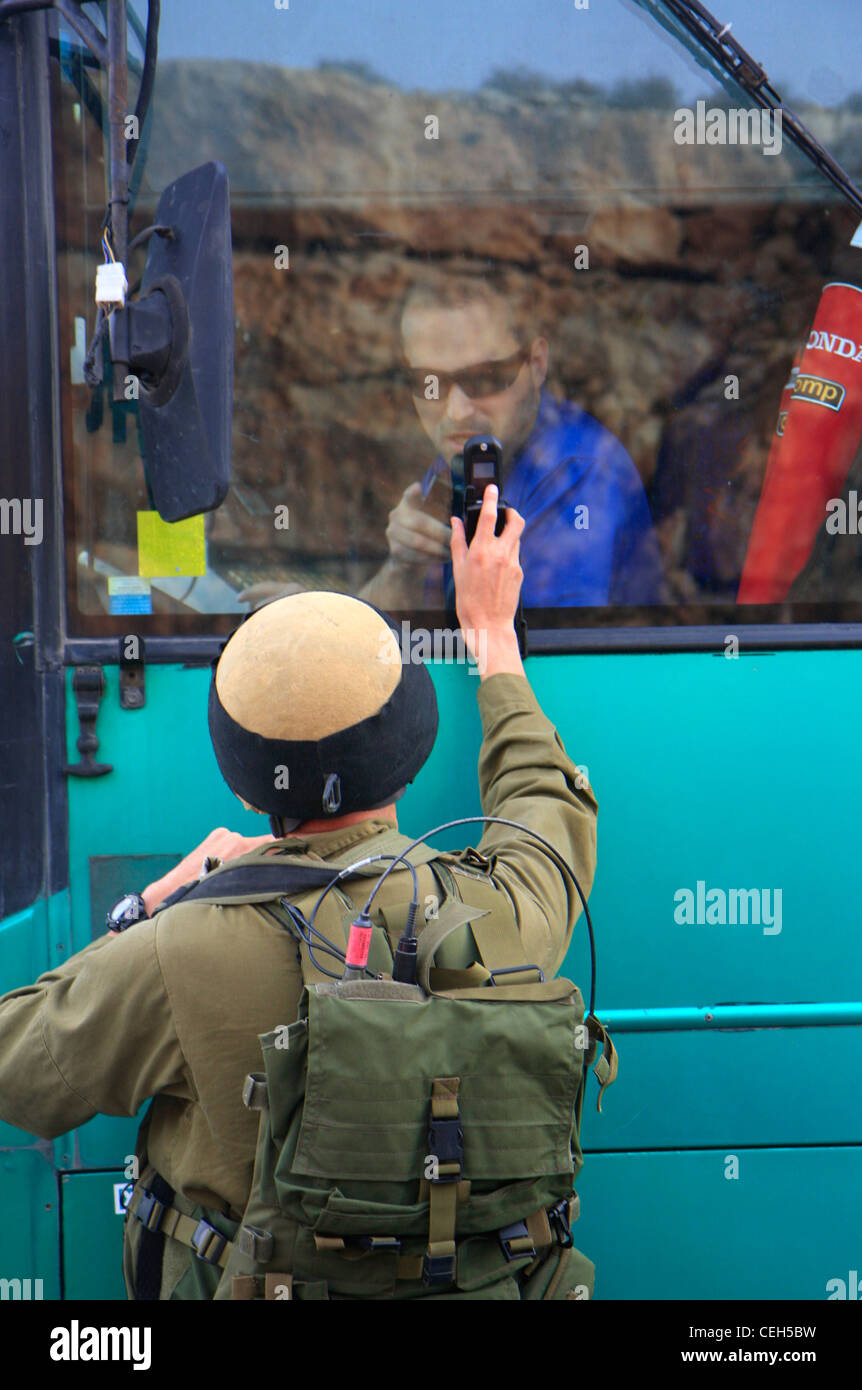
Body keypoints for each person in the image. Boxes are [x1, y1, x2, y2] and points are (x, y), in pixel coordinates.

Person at [0, 486, 598, 1300]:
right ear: (414, 752)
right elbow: (545, 807)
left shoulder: (176, 951)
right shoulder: (501, 917)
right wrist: (493, 635)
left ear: (247, 792)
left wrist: (151, 905)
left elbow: (18, 1069)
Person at [359, 273, 664, 611]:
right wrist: (404, 568)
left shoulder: (580, 475)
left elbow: (536, 655)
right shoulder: (469, 454)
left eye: (484, 378)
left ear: (536, 365)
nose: (457, 410)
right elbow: (371, 637)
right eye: (429, 382)